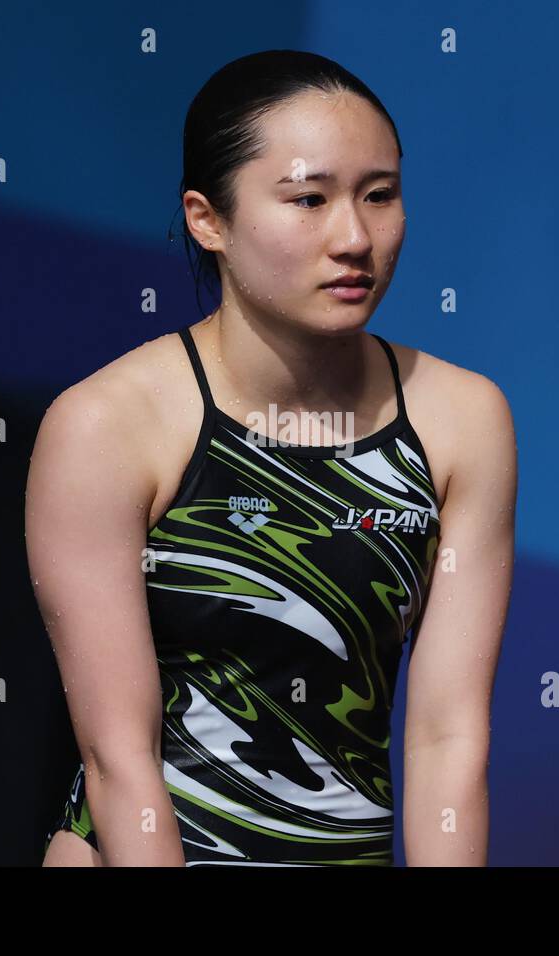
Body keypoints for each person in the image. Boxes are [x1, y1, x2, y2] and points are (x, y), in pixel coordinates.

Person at [29, 50, 516, 866]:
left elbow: (446, 736)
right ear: (206, 219)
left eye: (380, 196)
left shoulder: (461, 421)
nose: (354, 237)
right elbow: (121, 761)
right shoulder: (106, 426)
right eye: (308, 199)